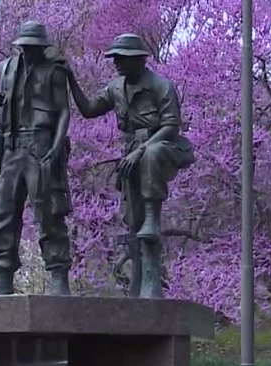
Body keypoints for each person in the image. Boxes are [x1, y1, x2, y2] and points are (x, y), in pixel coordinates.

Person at [58, 33, 194, 244]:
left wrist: (141, 150)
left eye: (121, 58)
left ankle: (152, 218)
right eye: (115, 58)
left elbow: (171, 125)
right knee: (132, 220)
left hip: (163, 146)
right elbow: (89, 109)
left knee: (151, 153)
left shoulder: (161, 86)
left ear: (138, 60)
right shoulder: (116, 87)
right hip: (131, 149)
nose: (116, 63)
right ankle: (138, 243)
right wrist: (70, 78)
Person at [0, 21, 73, 296]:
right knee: (4, 213)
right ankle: (3, 278)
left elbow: (63, 112)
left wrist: (57, 147)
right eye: (25, 47)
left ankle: (59, 277)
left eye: (33, 47)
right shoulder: (6, 69)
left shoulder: (54, 72)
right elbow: (1, 115)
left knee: (49, 213)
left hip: (41, 146)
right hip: (12, 147)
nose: (28, 51)